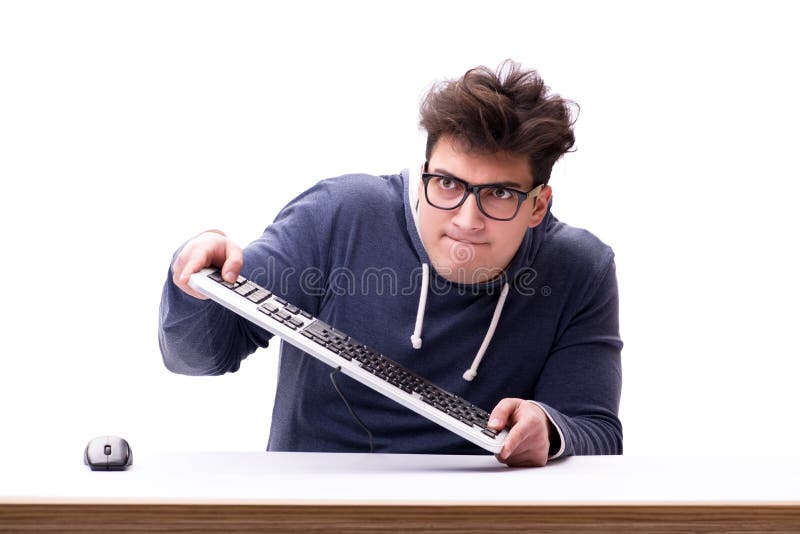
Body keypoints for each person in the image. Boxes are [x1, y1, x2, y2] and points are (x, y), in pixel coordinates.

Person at [159, 60, 623, 467]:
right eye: (446, 184)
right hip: (315, 512)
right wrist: (197, 280)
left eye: (499, 194)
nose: (467, 219)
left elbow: (598, 431)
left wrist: (551, 429)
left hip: (478, 516)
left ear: (538, 206)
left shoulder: (580, 268)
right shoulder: (341, 215)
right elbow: (198, 357)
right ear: (422, 177)